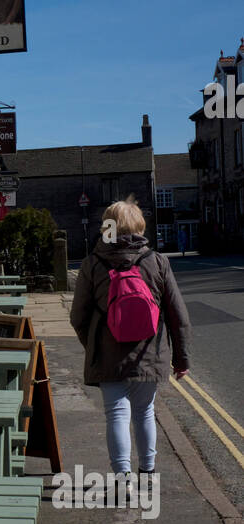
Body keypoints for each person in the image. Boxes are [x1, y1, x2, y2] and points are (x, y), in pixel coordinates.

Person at [70, 198, 191, 482]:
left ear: (107, 227)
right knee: (145, 413)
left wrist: (94, 348)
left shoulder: (92, 264)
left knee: (116, 415)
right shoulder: (157, 261)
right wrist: (181, 358)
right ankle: (148, 474)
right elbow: (178, 315)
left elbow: (78, 317)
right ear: (138, 226)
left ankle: (122, 480)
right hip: (149, 354)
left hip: (109, 355)